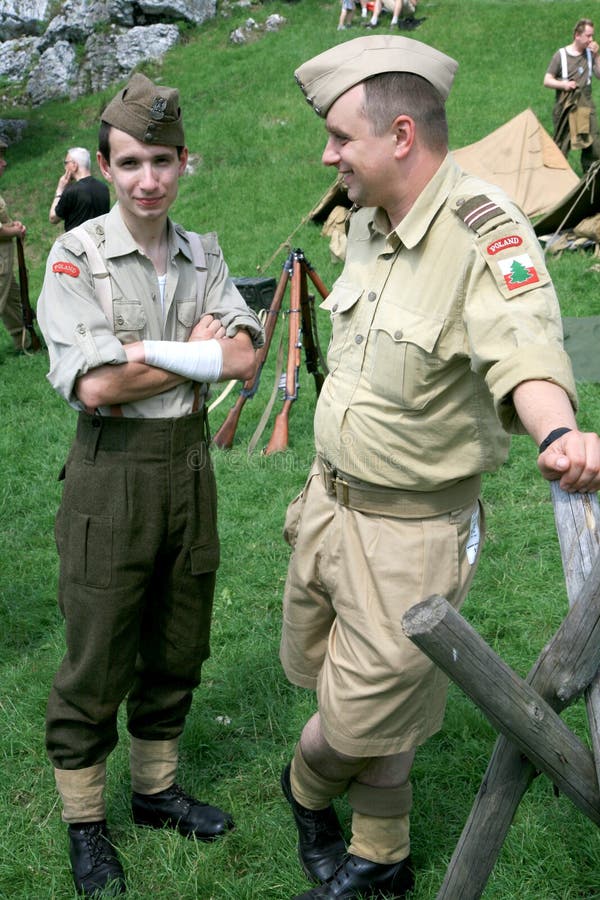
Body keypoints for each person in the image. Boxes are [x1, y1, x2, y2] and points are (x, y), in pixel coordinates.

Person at [279, 35, 600, 900]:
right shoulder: (369, 221)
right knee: (352, 692)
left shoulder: (481, 230)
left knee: (349, 720)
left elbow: (525, 342)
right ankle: (382, 857)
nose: (328, 153)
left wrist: (559, 432)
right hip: (326, 510)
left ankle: (305, 791)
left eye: (342, 137)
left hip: (410, 532)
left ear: (403, 135)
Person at [37, 73, 264, 897]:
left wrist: (140, 352)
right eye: (130, 162)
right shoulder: (75, 255)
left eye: (162, 160)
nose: (147, 180)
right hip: (111, 476)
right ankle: (86, 822)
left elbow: (243, 357)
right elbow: (92, 388)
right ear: (106, 163)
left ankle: (157, 791)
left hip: (187, 472)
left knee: (178, 642)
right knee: (99, 653)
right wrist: (186, 350)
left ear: (183, 162)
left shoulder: (204, 253)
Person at [544, 18, 600, 172]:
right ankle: (556, 181)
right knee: (561, 146)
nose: (591, 40)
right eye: (588, 36)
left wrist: (597, 56)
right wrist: (564, 84)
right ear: (577, 35)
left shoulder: (590, 54)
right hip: (566, 105)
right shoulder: (561, 55)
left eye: (592, 36)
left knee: (593, 147)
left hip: (585, 105)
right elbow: (547, 80)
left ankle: (590, 182)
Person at [0, 139, 29, 352]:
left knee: (12, 303)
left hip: (4, 263)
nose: (4, 163)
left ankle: (24, 343)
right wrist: (15, 231)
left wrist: (12, 225)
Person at [49, 146, 110, 231]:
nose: (65, 167)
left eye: (66, 163)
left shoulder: (72, 191)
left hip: (77, 243)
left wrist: (60, 190)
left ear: (74, 165)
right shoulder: (104, 188)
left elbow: (53, 218)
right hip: (101, 242)